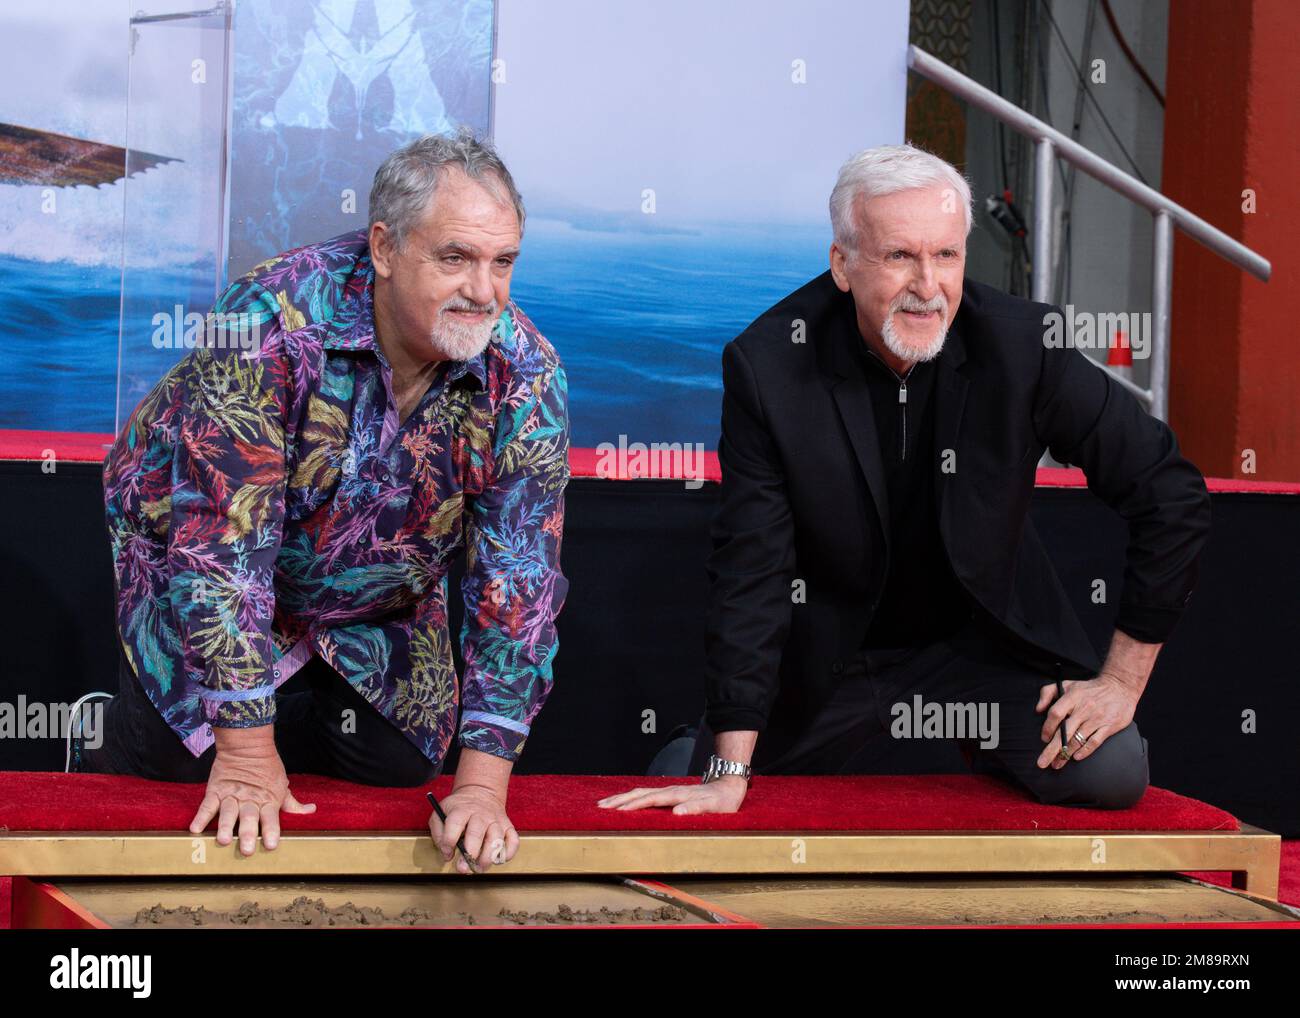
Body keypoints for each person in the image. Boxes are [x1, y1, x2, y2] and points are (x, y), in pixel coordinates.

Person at [600, 143, 1211, 816]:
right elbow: (754, 570)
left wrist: (1120, 681)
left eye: (945, 255)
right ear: (843, 264)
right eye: (899, 256)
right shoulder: (769, 365)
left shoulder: (1027, 347)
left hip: (980, 647)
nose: (928, 284)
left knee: (1112, 773)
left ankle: (994, 749)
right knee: (703, 781)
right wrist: (726, 767)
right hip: (832, 653)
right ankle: (704, 750)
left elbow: (1168, 492)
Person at [82, 130, 570, 871]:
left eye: (503, 263)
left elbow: (519, 583)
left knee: (405, 775)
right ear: (383, 248)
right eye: (455, 258)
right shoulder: (263, 323)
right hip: (202, 559)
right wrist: (245, 756)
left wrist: (480, 786)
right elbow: (221, 550)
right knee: (182, 779)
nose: (484, 291)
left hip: (379, 594)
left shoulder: (525, 375)